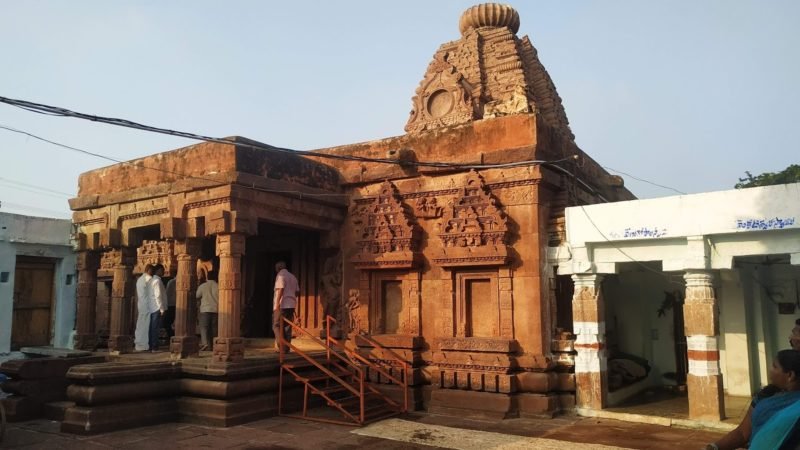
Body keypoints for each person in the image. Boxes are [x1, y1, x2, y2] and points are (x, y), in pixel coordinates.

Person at [706, 348, 800, 450]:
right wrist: (714, 447)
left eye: (775, 366)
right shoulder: (766, 394)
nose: (770, 369)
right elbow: (742, 432)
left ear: (790, 375)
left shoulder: (796, 405)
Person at [272, 261, 299, 353]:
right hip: (291, 304)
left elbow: (281, 289)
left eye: (276, 268)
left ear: (278, 268)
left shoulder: (280, 275)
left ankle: (282, 347)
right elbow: (297, 291)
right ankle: (286, 348)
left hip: (282, 304)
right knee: (287, 326)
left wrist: (277, 304)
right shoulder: (293, 277)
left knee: (276, 325)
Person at [196, 271, 219, 351]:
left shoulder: (203, 286)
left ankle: (205, 343)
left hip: (205, 309)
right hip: (215, 309)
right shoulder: (218, 286)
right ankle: (214, 344)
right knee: (214, 328)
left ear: (207, 277)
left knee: (204, 327)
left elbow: (197, 295)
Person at [134, 264, 154, 351]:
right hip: (147, 304)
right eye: (152, 271)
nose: (152, 274)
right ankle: (144, 345)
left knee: (140, 324)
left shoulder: (139, 280)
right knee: (145, 325)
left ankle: (138, 344)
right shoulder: (148, 279)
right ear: (149, 270)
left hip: (141, 304)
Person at [148, 264, 168, 352]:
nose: (163, 272)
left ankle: (151, 345)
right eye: (163, 270)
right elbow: (158, 295)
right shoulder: (157, 281)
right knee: (155, 327)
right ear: (159, 270)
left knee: (152, 326)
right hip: (156, 307)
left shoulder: (152, 280)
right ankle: (154, 346)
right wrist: (162, 308)